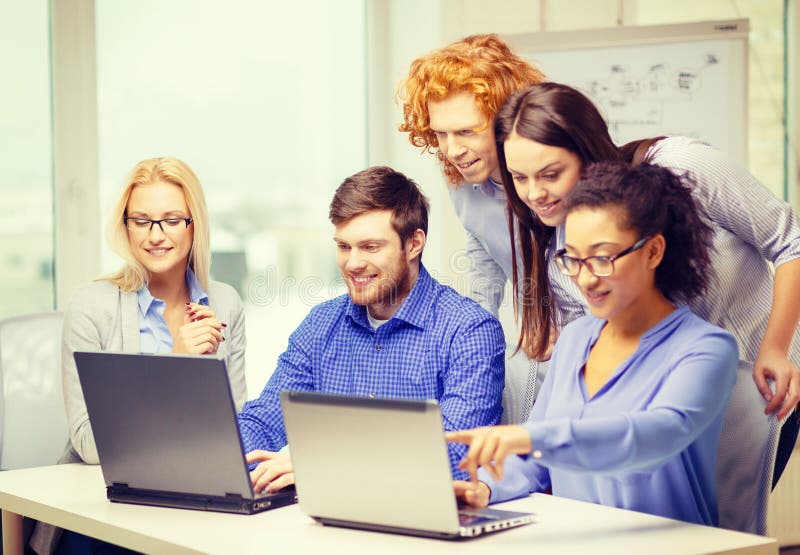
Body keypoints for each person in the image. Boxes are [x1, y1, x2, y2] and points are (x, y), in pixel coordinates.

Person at [493, 82, 800, 483]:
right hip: (667, 400)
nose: (535, 193)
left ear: (586, 154)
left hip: (760, 382)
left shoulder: (682, 166)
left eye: (551, 174)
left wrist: (775, 348)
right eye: (519, 177)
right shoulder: (562, 254)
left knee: (727, 527)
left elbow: (790, 240)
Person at [447, 162, 738, 527]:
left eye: (601, 258)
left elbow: (650, 437)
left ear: (653, 252)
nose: (584, 278)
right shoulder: (576, 338)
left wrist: (528, 435)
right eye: (573, 258)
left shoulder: (706, 349)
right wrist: (485, 488)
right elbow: (537, 460)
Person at [237, 166, 505, 493]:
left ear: (414, 244)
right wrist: (222, 454)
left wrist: (323, 464)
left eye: (370, 247)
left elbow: (457, 455)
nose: (353, 264)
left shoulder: (469, 330)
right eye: (344, 247)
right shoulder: (321, 325)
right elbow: (264, 420)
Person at [30, 157, 247, 554]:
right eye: (141, 220)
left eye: (170, 220)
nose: (155, 235)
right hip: (102, 510)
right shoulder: (91, 306)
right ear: (125, 227)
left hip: (194, 503)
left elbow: (233, 434)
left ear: (193, 225)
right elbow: (89, 444)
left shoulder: (225, 303)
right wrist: (179, 363)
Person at [398, 34, 546, 423]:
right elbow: (482, 257)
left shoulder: (550, 180)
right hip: (535, 343)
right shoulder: (460, 175)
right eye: (440, 133)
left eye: (466, 132)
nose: (451, 150)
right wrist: (473, 340)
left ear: (507, 121)